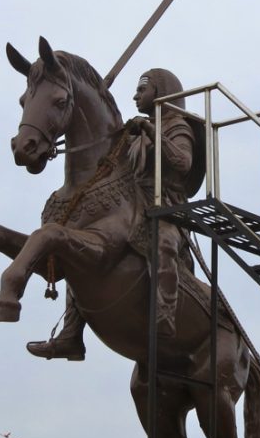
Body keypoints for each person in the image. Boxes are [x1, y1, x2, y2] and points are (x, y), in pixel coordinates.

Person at [25, 67, 197, 360]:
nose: (135, 95)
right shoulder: (136, 127)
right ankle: (71, 335)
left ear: (161, 93)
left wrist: (152, 132)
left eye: (142, 89)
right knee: (79, 245)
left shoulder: (176, 126)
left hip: (165, 208)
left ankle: (165, 316)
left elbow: (183, 162)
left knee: (163, 243)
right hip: (135, 201)